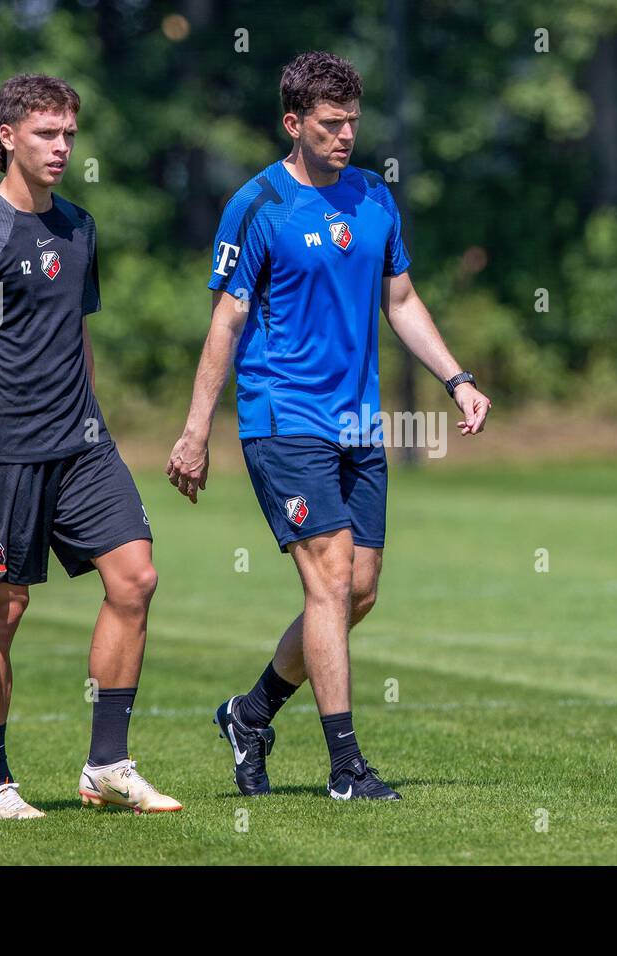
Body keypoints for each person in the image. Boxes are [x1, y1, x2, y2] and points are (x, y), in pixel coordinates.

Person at [166, 52, 492, 801]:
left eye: (353, 121)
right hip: (282, 419)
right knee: (331, 579)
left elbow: (401, 301)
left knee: (360, 591)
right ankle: (346, 768)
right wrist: (194, 429)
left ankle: (249, 715)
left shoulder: (375, 197)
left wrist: (458, 378)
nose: (346, 135)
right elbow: (228, 319)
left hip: (358, 425)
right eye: (330, 123)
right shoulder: (258, 205)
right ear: (293, 123)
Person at [0, 73, 180, 819]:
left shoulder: (80, 226)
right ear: (7, 137)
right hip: (3, 456)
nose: (62, 147)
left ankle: (108, 764)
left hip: (82, 448)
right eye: (47, 133)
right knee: (0, 613)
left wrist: (95, 422)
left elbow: (76, 332)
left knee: (135, 578)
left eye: (69, 133)